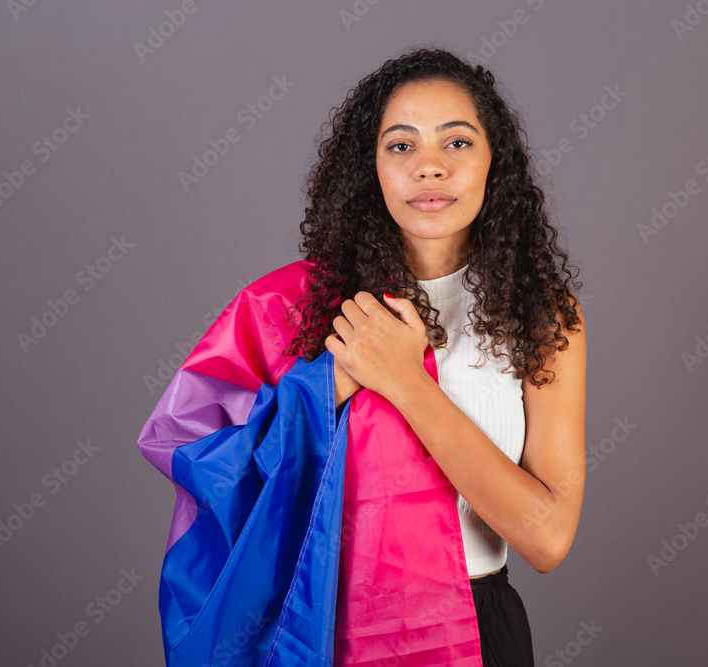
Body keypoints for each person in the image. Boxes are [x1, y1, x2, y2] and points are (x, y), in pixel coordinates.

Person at [139, 45, 586, 667]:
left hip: (479, 632)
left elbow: (546, 538)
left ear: (496, 161)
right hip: (328, 630)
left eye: (457, 142)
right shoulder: (293, 310)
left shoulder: (538, 312)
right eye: (401, 146)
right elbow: (194, 457)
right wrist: (322, 389)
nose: (429, 167)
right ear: (369, 168)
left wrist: (406, 380)